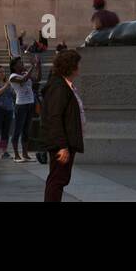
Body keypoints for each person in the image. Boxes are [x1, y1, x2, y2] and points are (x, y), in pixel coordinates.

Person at [40, 49, 85, 202]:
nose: (80, 67)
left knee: (59, 179)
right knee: (57, 180)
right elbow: (55, 117)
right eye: (78, 64)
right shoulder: (59, 87)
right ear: (72, 67)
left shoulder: (63, 85)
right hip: (61, 143)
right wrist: (62, 146)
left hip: (65, 141)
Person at [7, 56, 37, 162]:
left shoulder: (25, 73)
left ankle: (25, 153)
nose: (22, 64)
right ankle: (16, 155)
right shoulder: (13, 76)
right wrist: (32, 66)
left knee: (26, 130)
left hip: (30, 103)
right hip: (21, 105)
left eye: (22, 62)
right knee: (18, 129)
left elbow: (36, 79)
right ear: (14, 66)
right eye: (19, 63)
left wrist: (38, 65)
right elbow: (23, 80)